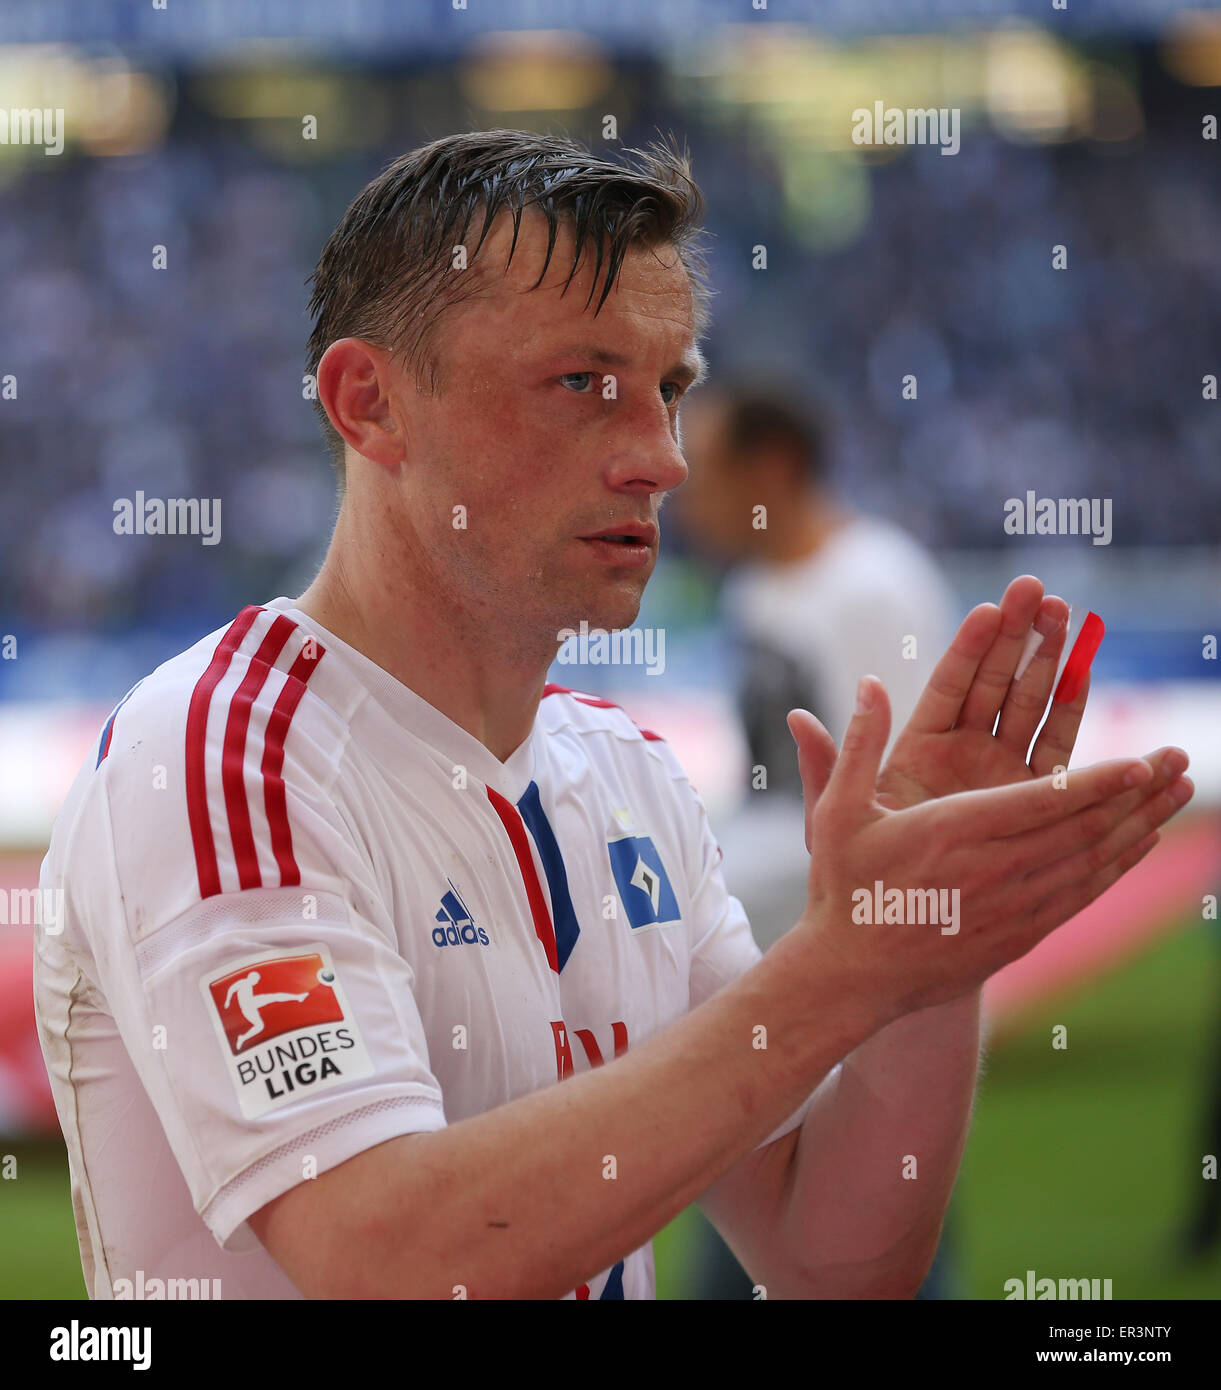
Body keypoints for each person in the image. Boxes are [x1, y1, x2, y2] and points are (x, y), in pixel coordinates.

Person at [34, 129, 1192, 1300]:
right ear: (369, 403)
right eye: (584, 385)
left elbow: (831, 1263)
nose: (664, 460)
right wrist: (845, 968)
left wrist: (929, 958)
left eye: (670, 390)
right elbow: (383, 1257)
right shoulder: (221, 754)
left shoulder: (624, 772)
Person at [673, 382, 966, 1297]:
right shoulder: (755, 589)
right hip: (780, 955)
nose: (682, 487)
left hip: (861, 964)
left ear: (773, 467)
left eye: (709, 468)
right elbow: (770, 781)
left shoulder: (875, 587)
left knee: (869, 1223)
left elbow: (899, 806)